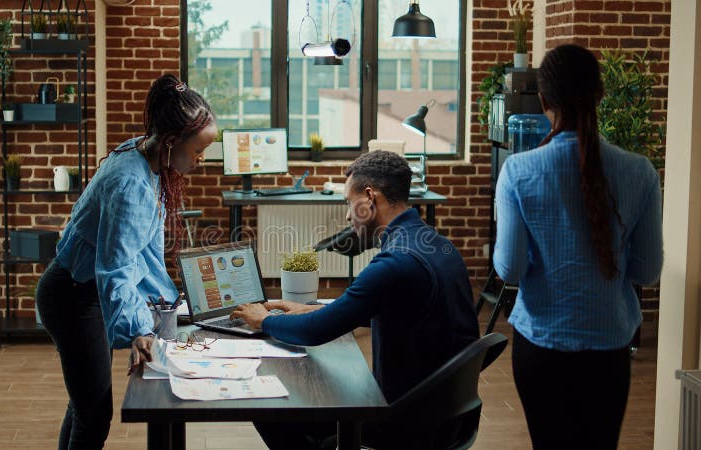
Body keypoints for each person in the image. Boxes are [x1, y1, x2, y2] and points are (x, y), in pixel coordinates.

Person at [231, 150, 479, 450]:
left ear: (369, 198)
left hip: (401, 425)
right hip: (442, 417)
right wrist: (307, 308)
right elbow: (392, 307)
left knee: (268, 403)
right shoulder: (438, 245)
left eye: (349, 203)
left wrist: (265, 320)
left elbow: (315, 332)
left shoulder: (396, 262)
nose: (348, 215)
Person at [493, 44, 663, 450]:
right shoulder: (639, 171)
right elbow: (646, 271)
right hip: (609, 351)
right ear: (600, 95)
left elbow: (510, 270)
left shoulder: (518, 171)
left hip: (541, 349)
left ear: (544, 100)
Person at [35, 74, 216, 449]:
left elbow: (141, 253)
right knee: (94, 414)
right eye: (198, 151)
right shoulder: (131, 184)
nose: (200, 160)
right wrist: (138, 329)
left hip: (84, 291)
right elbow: (115, 268)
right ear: (170, 143)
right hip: (74, 297)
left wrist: (167, 303)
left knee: (83, 401)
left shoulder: (143, 154)